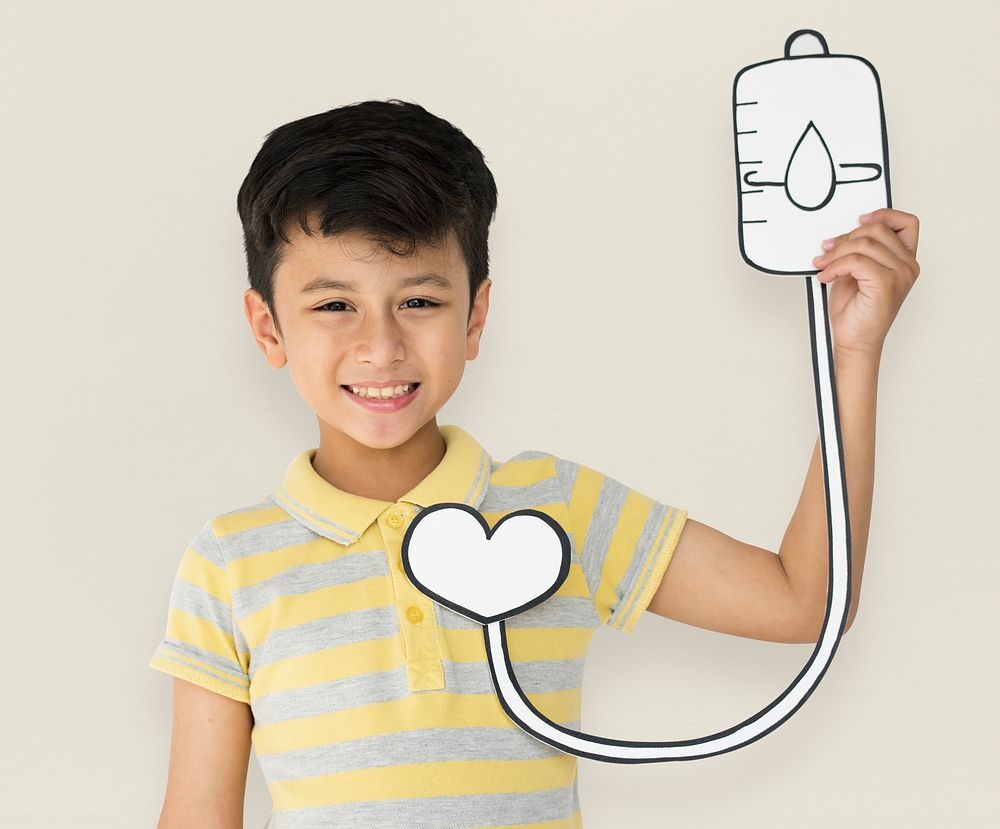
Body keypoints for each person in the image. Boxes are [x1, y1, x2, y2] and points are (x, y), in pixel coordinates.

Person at [149, 99, 920, 828]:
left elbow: (807, 602)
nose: (380, 346)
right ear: (267, 326)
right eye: (333, 305)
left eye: (419, 302)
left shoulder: (558, 506)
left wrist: (852, 353)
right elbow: (197, 814)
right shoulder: (231, 561)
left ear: (476, 314)